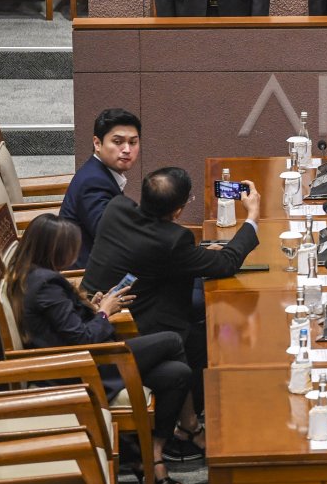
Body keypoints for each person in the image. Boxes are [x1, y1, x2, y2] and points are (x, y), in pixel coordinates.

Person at [5, 214, 194, 484]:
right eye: (71, 248)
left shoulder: (32, 274)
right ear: (55, 250)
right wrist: (106, 311)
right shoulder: (46, 284)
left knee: (178, 374)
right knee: (172, 339)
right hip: (84, 366)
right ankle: (185, 431)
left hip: (87, 355)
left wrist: (91, 308)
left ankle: (152, 455)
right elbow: (82, 338)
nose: (75, 254)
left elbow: (64, 324)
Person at [81, 167, 261, 458]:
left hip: (97, 306)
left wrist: (197, 257)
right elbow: (226, 264)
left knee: (197, 303)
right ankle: (190, 423)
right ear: (178, 211)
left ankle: (189, 423)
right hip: (123, 326)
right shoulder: (173, 242)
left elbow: (152, 253)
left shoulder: (117, 208)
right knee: (198, 321)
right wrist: (252, 216)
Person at [59, 108, 141, 268]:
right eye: (118, 142)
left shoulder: (99, 172)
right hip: (85, 277)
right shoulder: (94, 181)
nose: (127, 150)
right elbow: (110, 237)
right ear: (97, 143)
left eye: (133, 142)